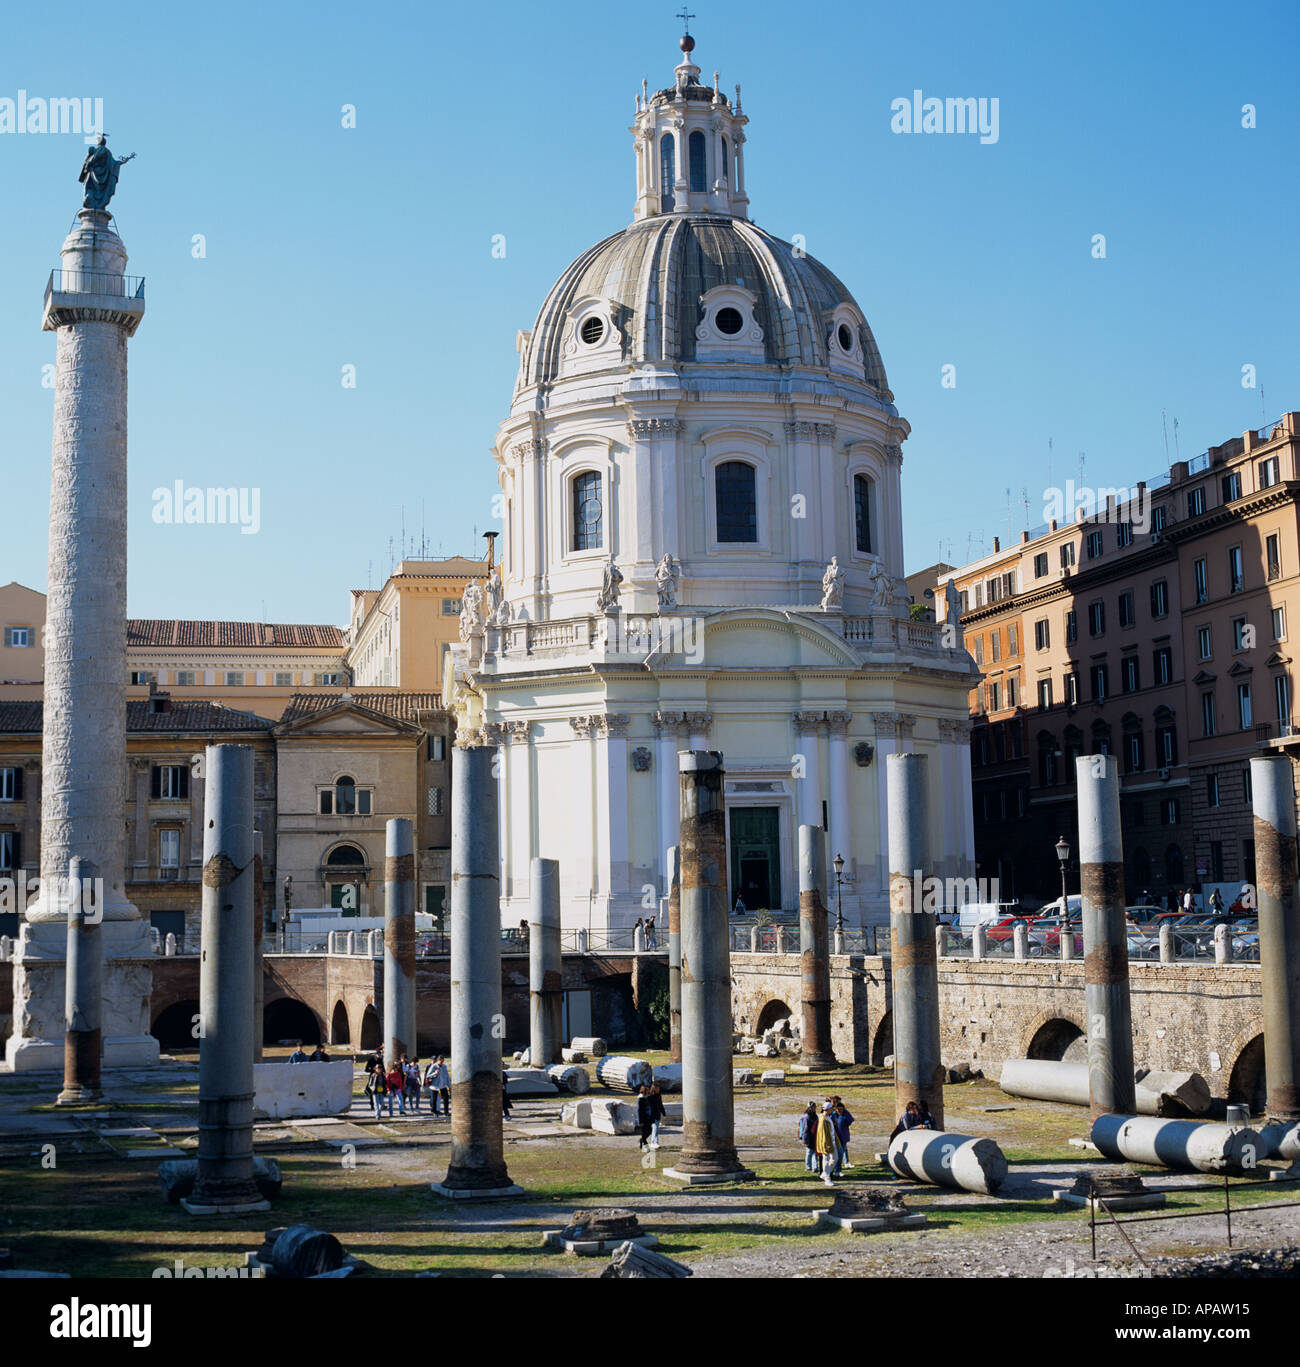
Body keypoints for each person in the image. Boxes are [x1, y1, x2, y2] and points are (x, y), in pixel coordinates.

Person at [814, 1102, 838, 1186]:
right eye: (831, 1108)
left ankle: (825, 1173)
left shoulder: (828, 1117)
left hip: (832, 1142)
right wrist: (825, 1144)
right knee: (826, 1160)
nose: (832, 1110)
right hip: (827, 1143)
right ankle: (827, 1178)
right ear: (827, 1109)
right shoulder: (822, 1119)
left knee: (835, 1159)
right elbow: (822, 1133)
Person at [832, 1099, 855, 1169]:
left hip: (844, 1137)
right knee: (839, 1153)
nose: (840, 1111)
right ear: (836, 1109)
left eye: (841, 1109)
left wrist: (844, 1113)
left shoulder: (845, 1114)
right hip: (836, 1137)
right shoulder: (833, 1115)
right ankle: (837, 1167)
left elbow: (851, 1120)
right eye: (838, 1109)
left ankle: (845, 1163)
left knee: (843, 1151)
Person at [798, 1101, 819, 1173]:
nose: (815, 1108)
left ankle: (815, 1167)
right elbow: (805, 1130)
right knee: (809, 1152)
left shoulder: (815, 1116)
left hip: (814, 1137)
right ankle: (808, 1167)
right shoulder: (806, 1117)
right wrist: (806, 1140)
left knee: (815, 1153)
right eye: (813, 1107)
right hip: (809, 1138)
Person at [636, 1084, 655, 1151]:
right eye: (647, 1090)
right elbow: (639, 1111)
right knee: (644, 1132)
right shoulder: (640, 1099)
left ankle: (641, 1141)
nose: (648, 1091)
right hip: (643, 1119)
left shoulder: (648, 1097)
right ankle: (646, 1146)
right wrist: (640, 1121)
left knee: (649, 1131)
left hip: (648, 1118)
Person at [647, 1082, 665, 1147]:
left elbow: (660, 1105)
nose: (658, 1089)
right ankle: (654, 1143)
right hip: (652, 1115)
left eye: (659, 1088)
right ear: (654, 1088)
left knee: (655, 1129)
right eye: (657, 1088)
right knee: (655, 1128)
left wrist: (663, 1112)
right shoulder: (650, 1096)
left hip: (657, 1114)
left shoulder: (659, 1096)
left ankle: (654, 1142)